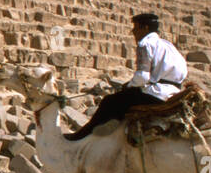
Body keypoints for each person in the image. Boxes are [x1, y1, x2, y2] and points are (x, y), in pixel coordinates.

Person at [66, 12, 189, 141]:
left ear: (145, 28)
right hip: (174, 93)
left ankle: (81, 137)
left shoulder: (145, 44)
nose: (133, 32)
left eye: (135, 28)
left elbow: (142, 77)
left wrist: (128, 86)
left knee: (109, 102)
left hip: (156, 94)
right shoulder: (169, 46)